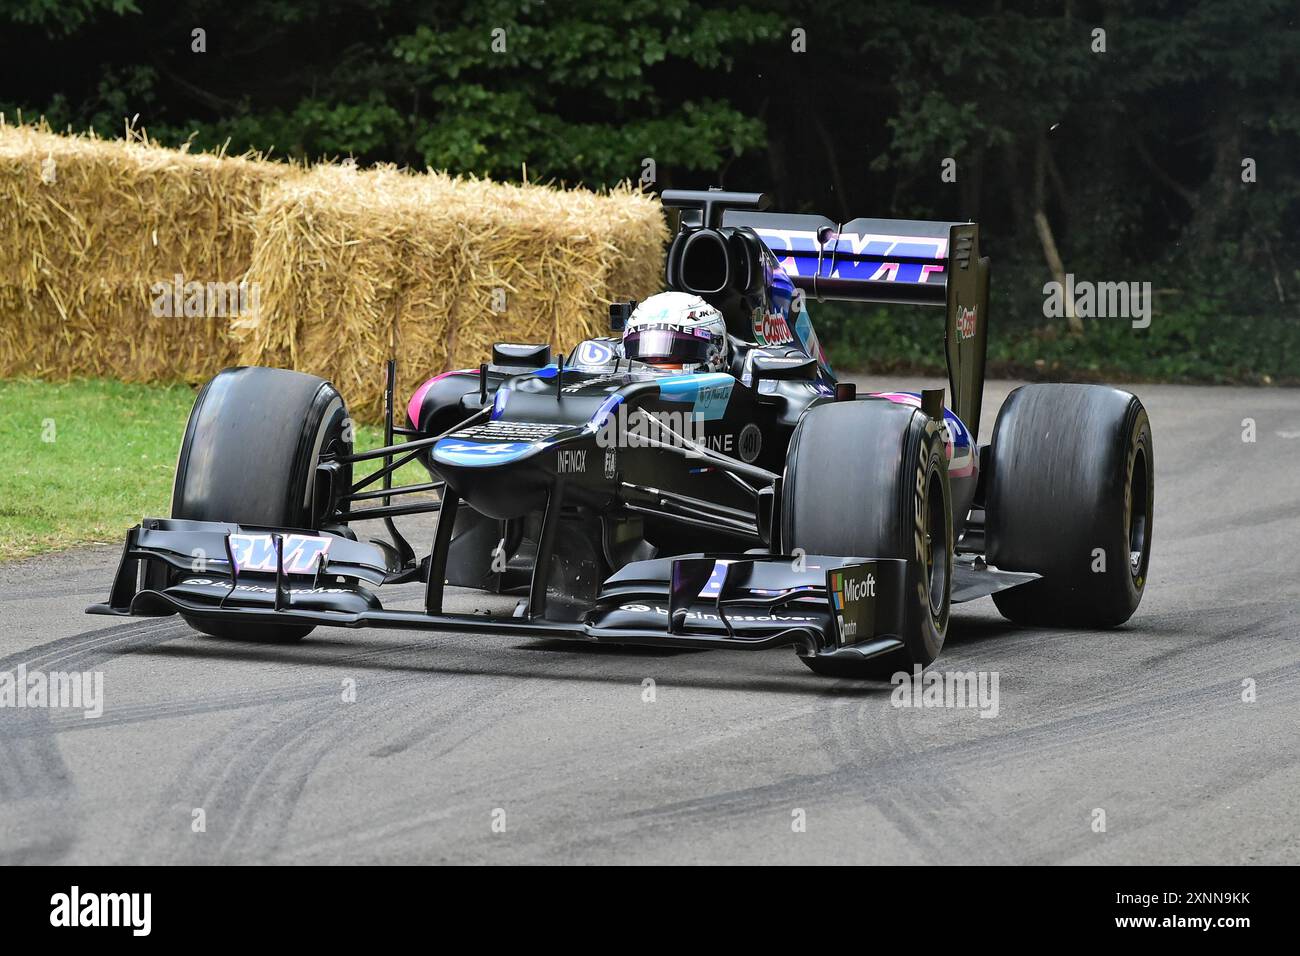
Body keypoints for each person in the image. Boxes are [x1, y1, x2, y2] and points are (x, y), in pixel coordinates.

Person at [620, 292, 728, 373]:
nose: (655, 363)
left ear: (715, 355)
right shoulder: (623, 401)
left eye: (669, 357)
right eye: (646, 357)